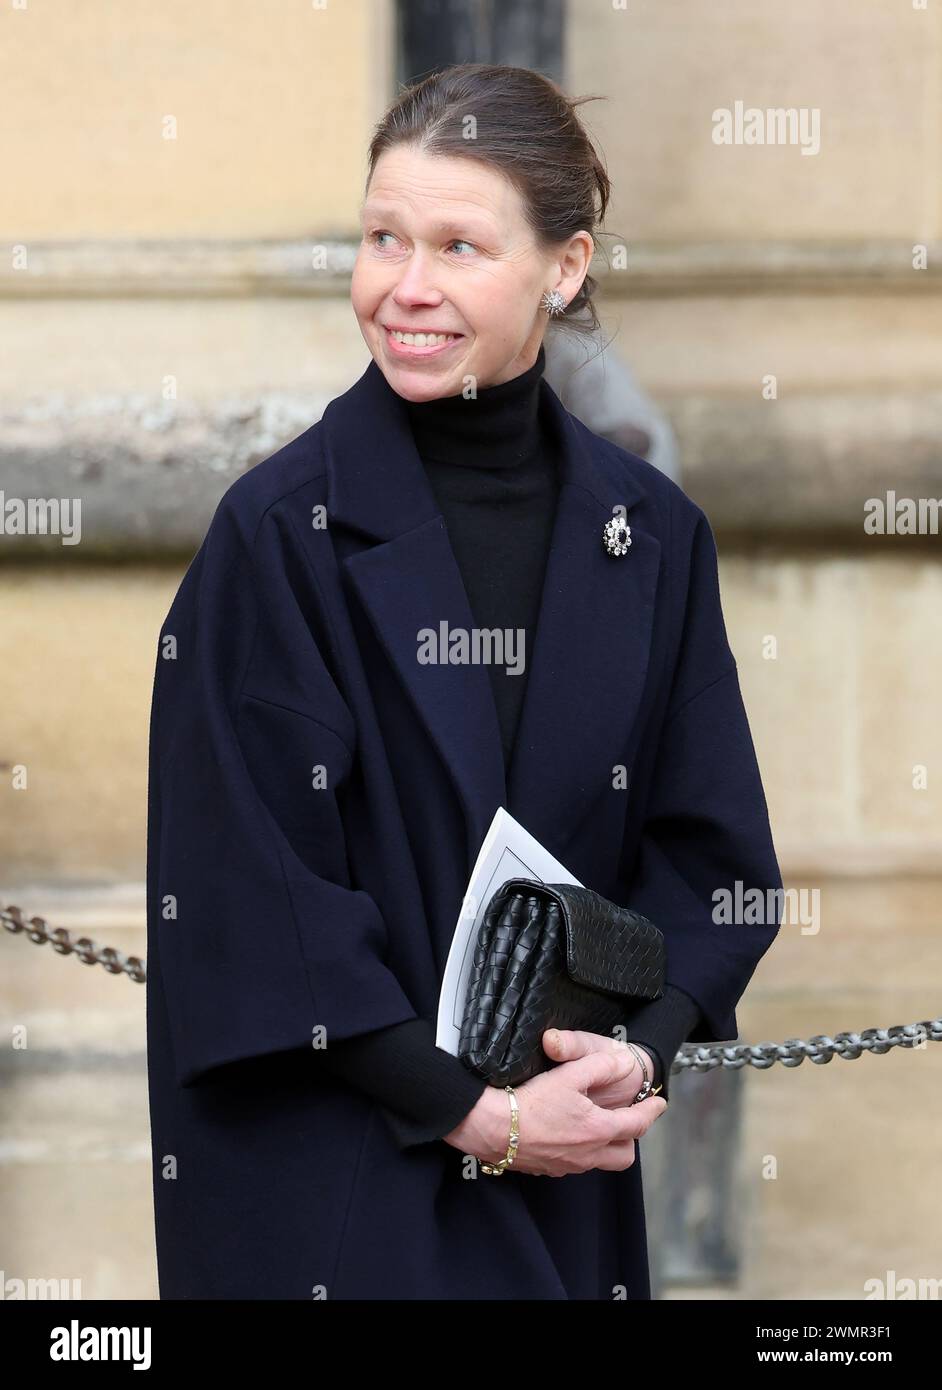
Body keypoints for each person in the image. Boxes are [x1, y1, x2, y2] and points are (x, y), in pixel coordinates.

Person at [145, 63, 783, 1301]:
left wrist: (624, 1065)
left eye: (457, 244)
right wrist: (483, 1119)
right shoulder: (278, 534)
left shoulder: (650, 533)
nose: (407, 286)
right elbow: (254, 894)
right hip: (340, 1186)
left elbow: (715, 863)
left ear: (565, 265)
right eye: (383, 237)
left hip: (567, 1180)